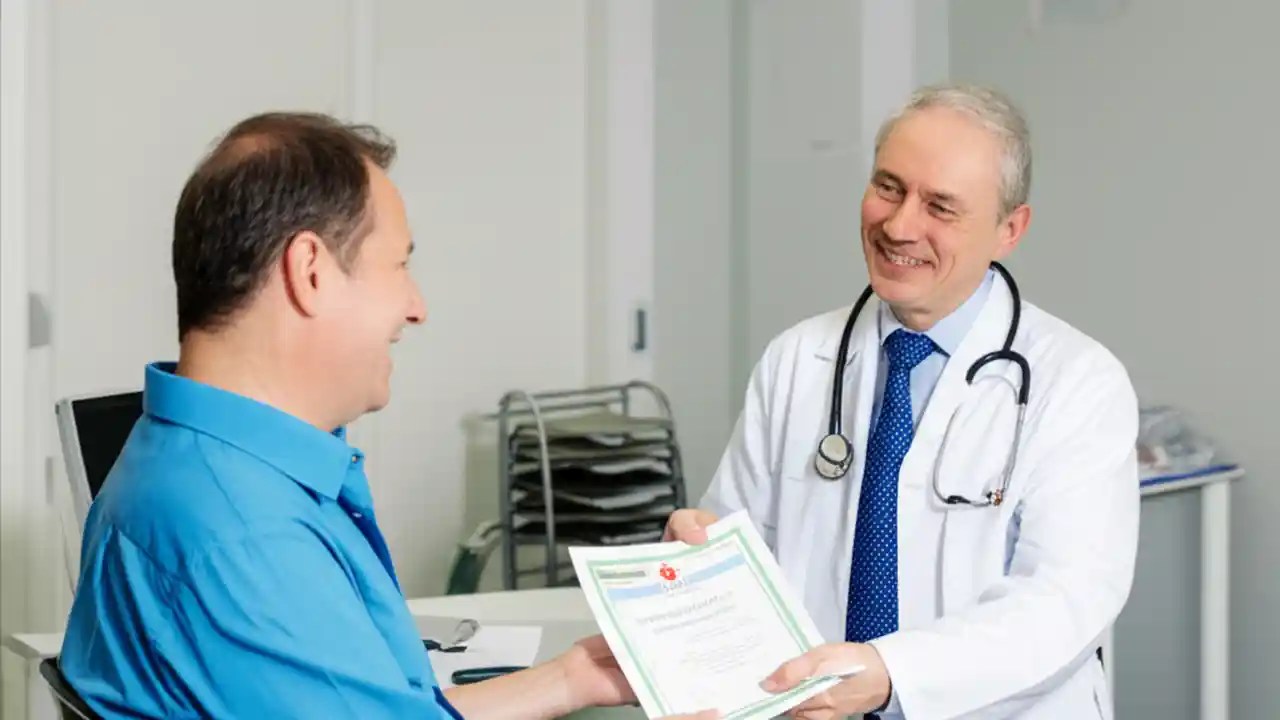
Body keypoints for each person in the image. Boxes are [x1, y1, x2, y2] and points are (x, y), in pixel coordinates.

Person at [59, 113, 715, 720]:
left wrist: (572, 677)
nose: (416, 306)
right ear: (310, 270)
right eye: (399, 265)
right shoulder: (244, 538)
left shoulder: (205, 468)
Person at [664, 84, 1139, 719]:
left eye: (940, 206)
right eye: (889, 186)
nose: (898, 225)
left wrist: (894, 673)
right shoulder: (796, 360)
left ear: (1009, 229)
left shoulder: (1078, 382)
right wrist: (703, 564)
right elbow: (737, 554)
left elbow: (1065, 600)